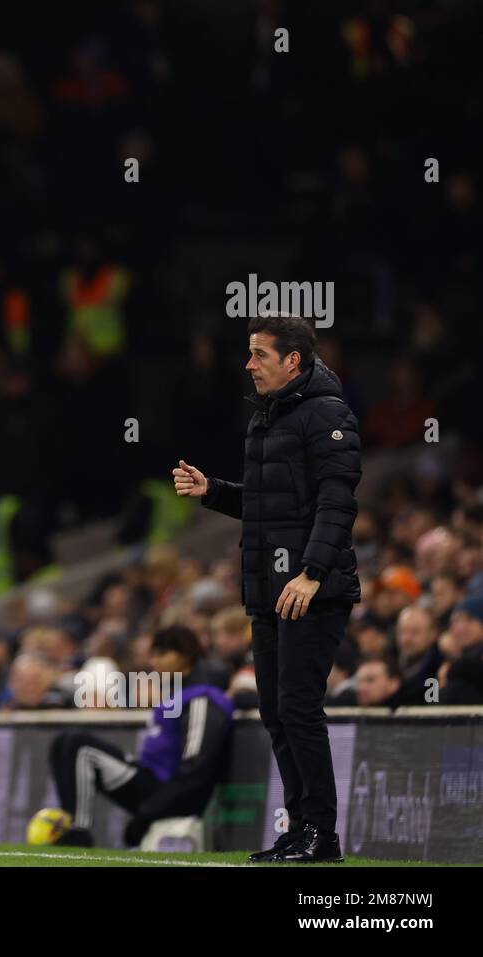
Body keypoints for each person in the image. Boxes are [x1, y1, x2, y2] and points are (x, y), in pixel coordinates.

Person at [174, 313, 361, 864]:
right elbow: (263, 508)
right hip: (268, 591)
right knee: (278, 712)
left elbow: (337, 504)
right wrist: (213, 492)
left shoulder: (326, 414)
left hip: (310, 590)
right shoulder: (267, 419)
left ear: (293, 361)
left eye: (259, 354)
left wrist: (312, 573)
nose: (248, 364)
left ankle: (320, 835)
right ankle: (301, 827)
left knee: (299, 709)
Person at [49, 626, 233, 847]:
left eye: (161, 654)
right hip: (152, 781)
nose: (153, 662)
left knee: (78, 744)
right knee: (63, 743)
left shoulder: (203, 697)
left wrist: (147, 814)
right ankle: (70, 827)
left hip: (170, 793)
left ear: (184, 656)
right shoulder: (177, 693)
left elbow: (195, 766)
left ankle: (79, 833)